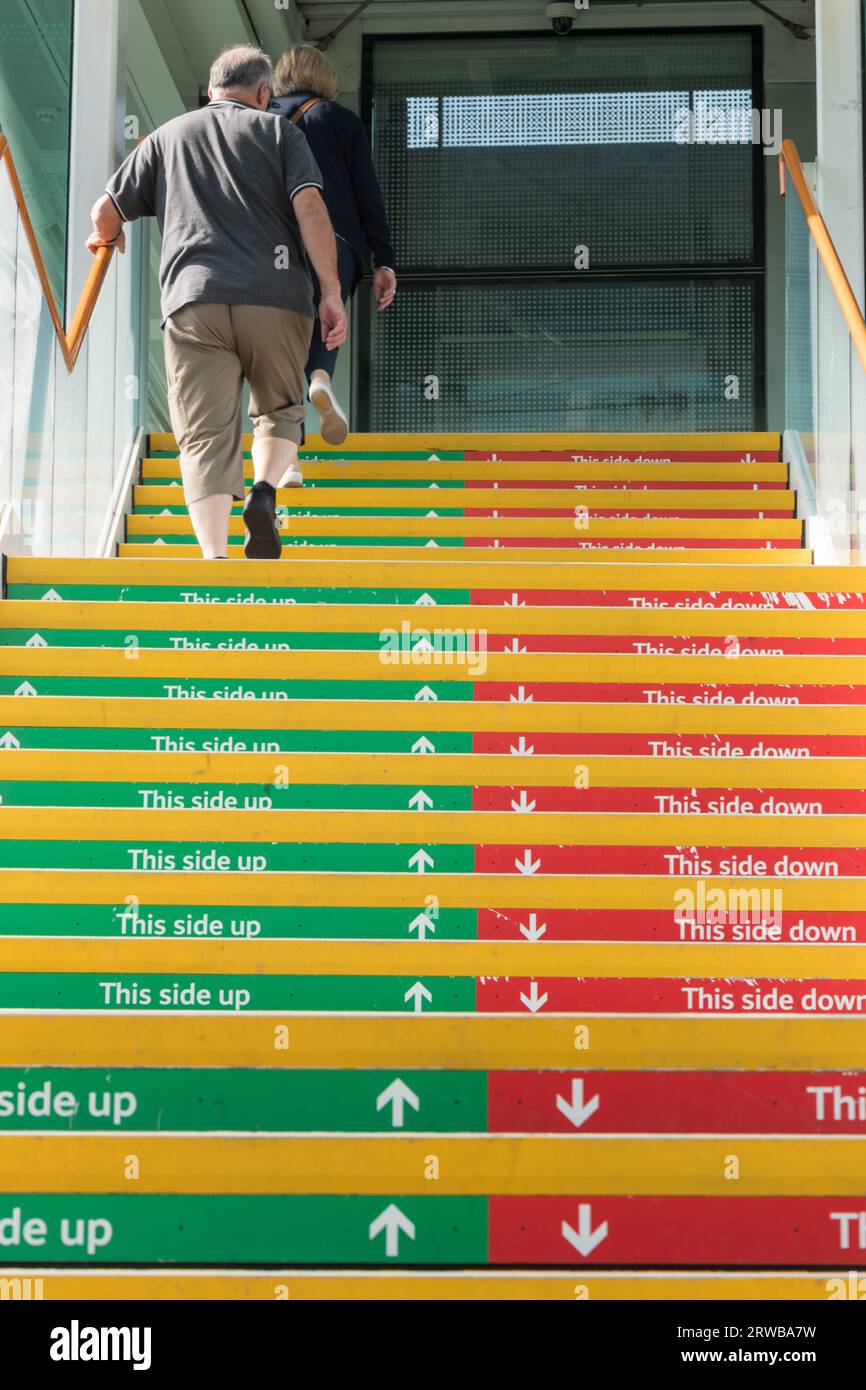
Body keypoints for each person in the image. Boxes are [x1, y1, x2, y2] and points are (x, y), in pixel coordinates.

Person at [86, 43, 347, 561]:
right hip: (276, 297)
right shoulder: (281, 133)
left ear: (211, 91)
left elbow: (104, 212)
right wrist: (331, 291)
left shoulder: (167, 137)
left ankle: (215, 558)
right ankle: (265, 491)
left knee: (204, 434)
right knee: (279, 410)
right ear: (264, 94)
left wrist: (107, 237)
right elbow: (311, 205)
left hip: (193, 301)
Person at [270, 44, 396, 445]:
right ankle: (321, 378)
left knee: (281, 342)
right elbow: (367, 193)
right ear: (325, 79)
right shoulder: (339, 119)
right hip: (334, 241)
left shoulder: (261, 117)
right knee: (327, 316)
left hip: (274, 242)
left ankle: (287, 459)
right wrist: (384, 258)